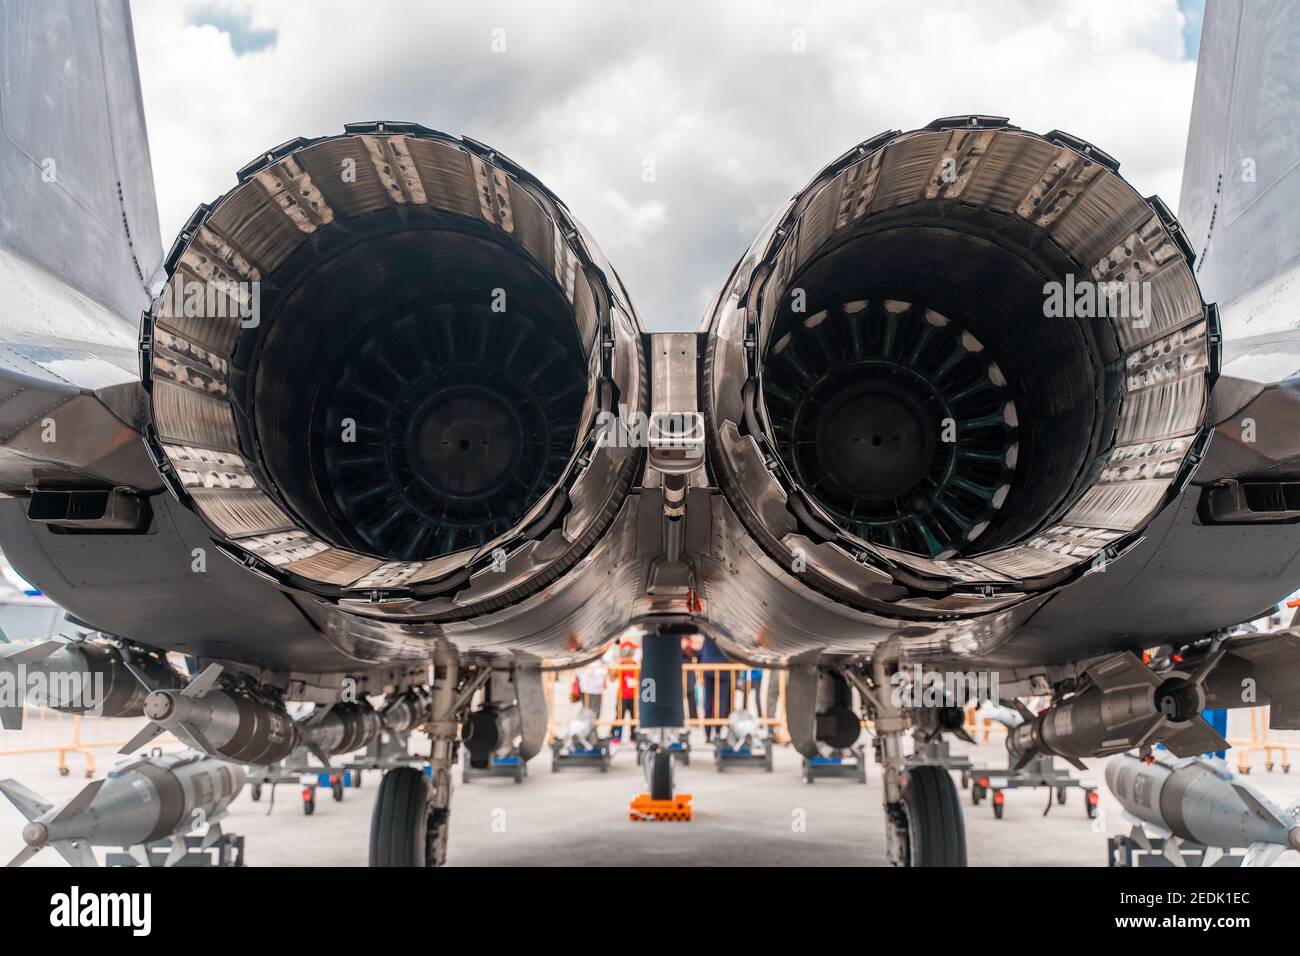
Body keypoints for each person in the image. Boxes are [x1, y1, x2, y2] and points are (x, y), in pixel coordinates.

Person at [698, 635, 733, 741]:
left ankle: (709, 734)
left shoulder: (707, 629)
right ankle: (717, 732)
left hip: (711, 667)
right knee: (720, 703)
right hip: (723, 668)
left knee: (709, 703)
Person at [608, 639, 639, 742]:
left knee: (634, 718)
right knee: (619, 717)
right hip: (622, 696)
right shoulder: (621, 665)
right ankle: (616, 736)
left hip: (633, 696)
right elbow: (612, 678)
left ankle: (633, 736)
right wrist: (611, 670)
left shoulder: (636, 665)